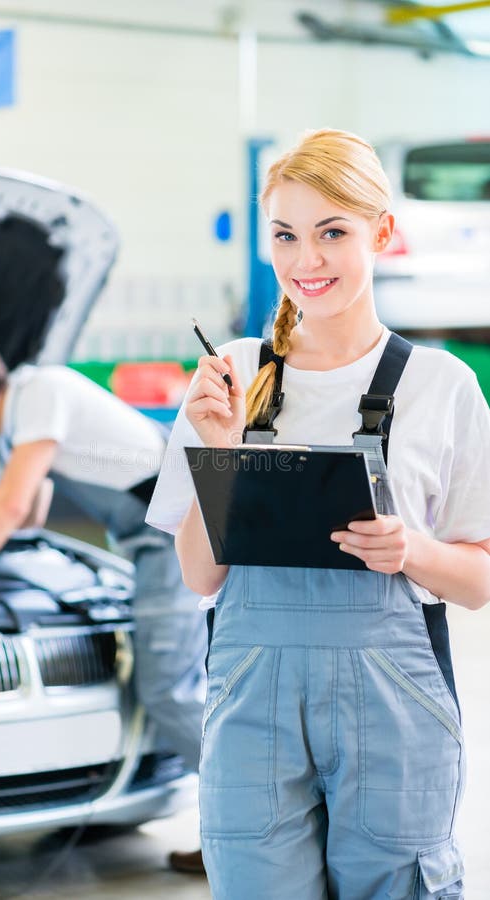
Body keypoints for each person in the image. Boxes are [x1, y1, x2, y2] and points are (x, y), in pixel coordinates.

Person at [146, 128, 490, 898]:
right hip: (250, 715)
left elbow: (476, 582)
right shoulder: (230, 376)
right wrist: (220, 449)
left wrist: (414, 552)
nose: (307, 260)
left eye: (331, 232)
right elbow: (201, 574)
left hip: (394, 711)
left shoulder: (441, 385)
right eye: (286, 235)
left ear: (381, 231)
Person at [0, 331, 207, 837]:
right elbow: (29, 514)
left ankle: (260, 830)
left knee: (170, 694)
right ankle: (234, 833)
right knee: (177, 692)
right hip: (159, 540)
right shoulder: (23, 421)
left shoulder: (41, 393)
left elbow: (12, 506)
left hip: (181, 538)